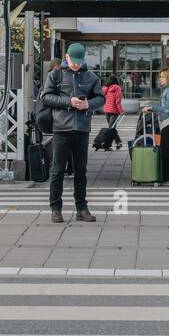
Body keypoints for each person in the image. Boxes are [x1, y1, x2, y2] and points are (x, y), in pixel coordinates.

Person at [40, 42, 104, 223]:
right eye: (72, 60)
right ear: (66, 57)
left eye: (79, 61)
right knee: (57, 170)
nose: (75, 64)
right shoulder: (56, 74)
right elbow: (46, 97)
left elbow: (100, 97)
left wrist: (88, 104)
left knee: (81, 171)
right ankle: (55, 208)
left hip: (82, 129)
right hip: (61, 128)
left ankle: (82, 208)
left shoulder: (91, 76)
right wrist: (69, 101)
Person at [100, 74, 124, 151]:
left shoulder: (104, 89)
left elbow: (102, 98)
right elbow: (118, 102)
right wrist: (121, 111)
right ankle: (108, 146)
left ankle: (118, 143)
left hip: (106, 110)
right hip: (114, 112)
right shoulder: (117, 89)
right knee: (111, 129)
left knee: (111, 128)